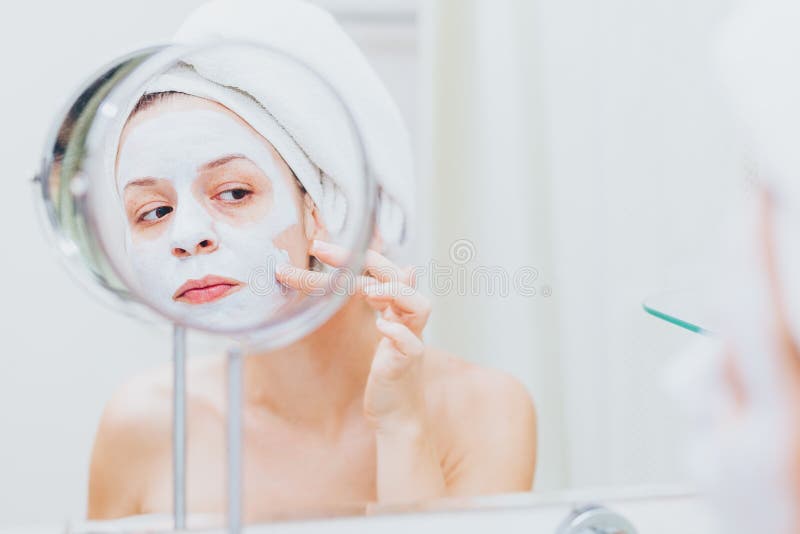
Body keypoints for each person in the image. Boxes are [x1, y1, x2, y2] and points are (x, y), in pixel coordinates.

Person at [87, 89, 537, 522]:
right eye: (154, 211)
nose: (186, 236)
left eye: (235, 193)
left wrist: (401, 425)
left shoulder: (482, 410)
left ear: (337, 210)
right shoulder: (143, 423)